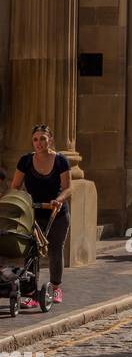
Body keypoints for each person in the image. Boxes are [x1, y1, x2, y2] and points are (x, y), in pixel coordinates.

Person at [9, 123, 71, 306]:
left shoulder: (61, 161)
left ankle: (56, 287)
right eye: (35, 139)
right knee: (31, 251)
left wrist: (58, 200)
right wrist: (21, 200)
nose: (39, 143)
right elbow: (15, 186)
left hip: (56, 213)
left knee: (55, 249)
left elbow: (68, 188)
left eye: (43, 139)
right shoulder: (26, 161)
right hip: (33, 213)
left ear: (50, 140)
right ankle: (31, 293)